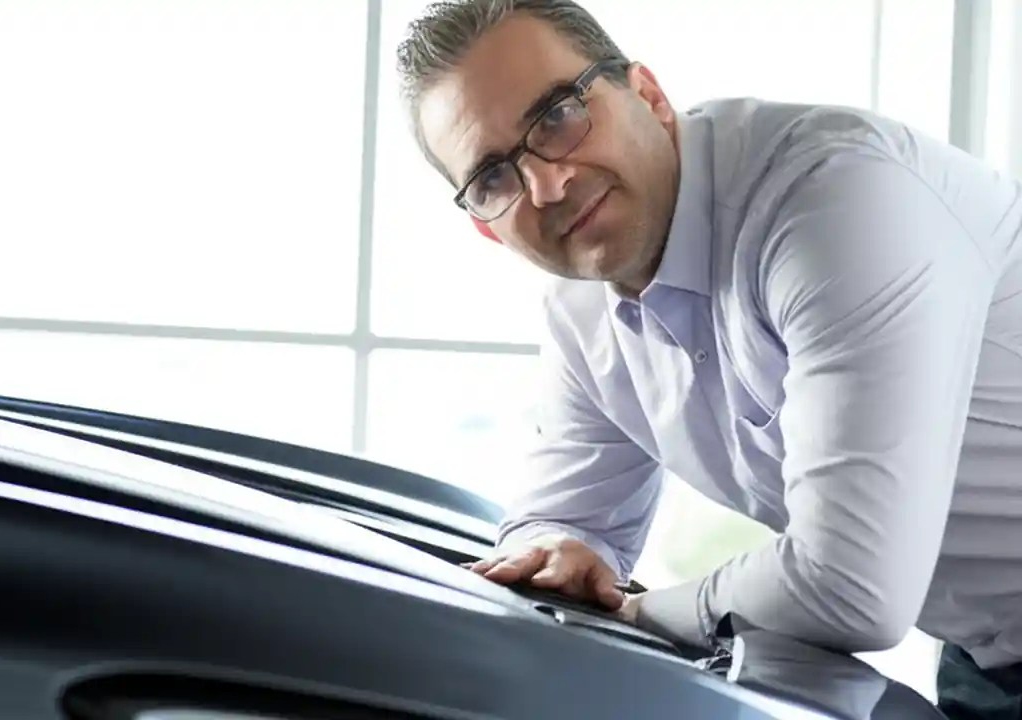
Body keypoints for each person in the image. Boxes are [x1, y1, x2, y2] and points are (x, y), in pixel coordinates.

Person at [395, 1, 1022, 717]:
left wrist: (641, 613)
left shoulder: (838, 203)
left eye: (559, 116)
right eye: (495, 177)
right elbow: (567, 526)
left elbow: (851, 587)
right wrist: (556, 553)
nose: (548, 185)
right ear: (485, 227)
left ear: (650, 96)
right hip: (984, 655)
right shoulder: (584, 312)